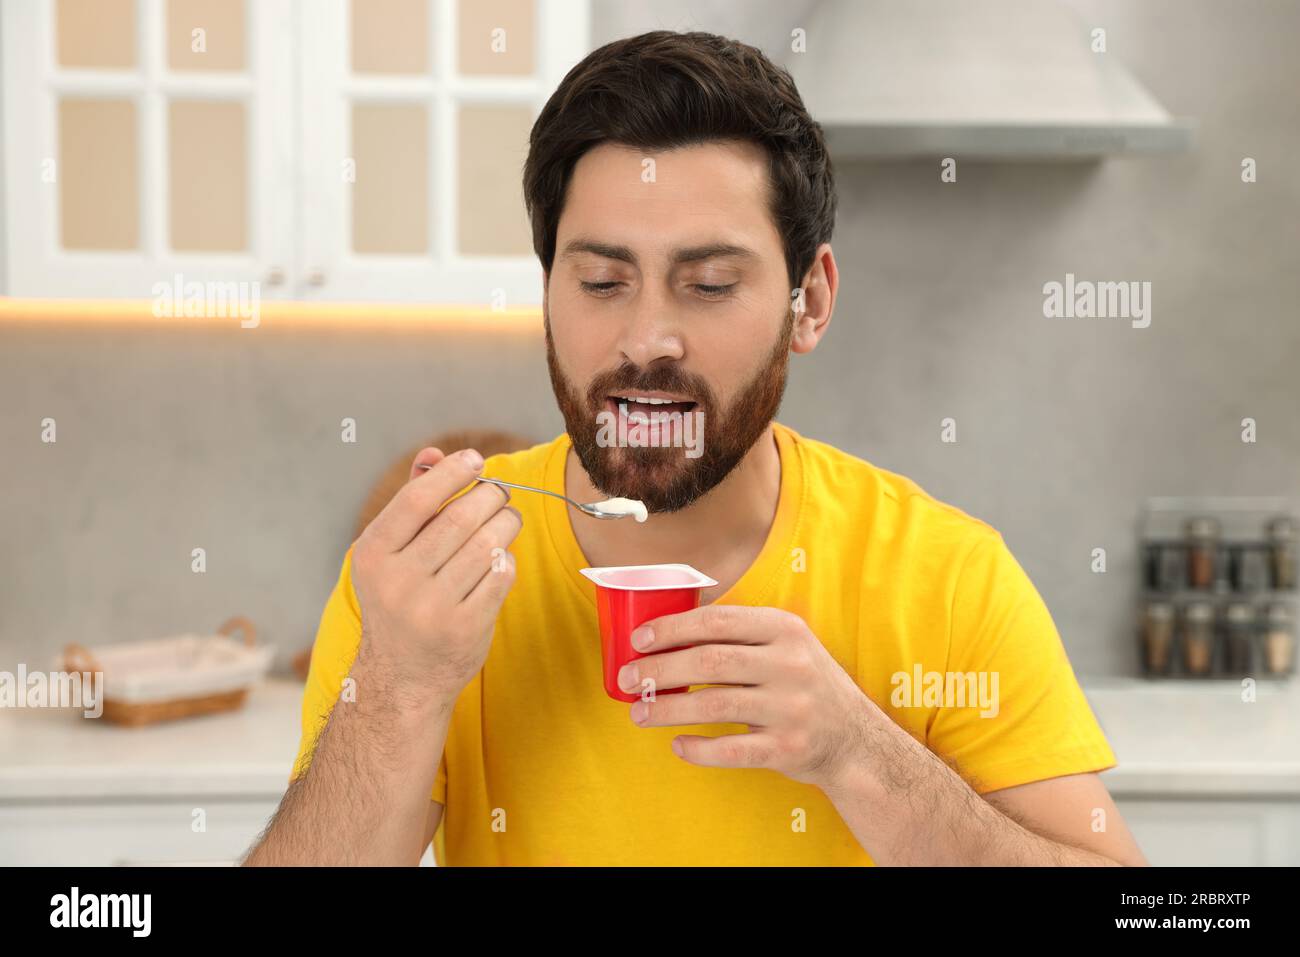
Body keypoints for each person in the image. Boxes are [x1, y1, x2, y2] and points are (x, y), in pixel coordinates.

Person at [245, 31, 1144, 866]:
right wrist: (402, 682)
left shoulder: (946, 576)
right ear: (548, 288)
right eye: (602, 280)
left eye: (709, 284)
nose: (648, 338)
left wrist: (858, 752)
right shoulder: (424, 590)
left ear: (811, 301)